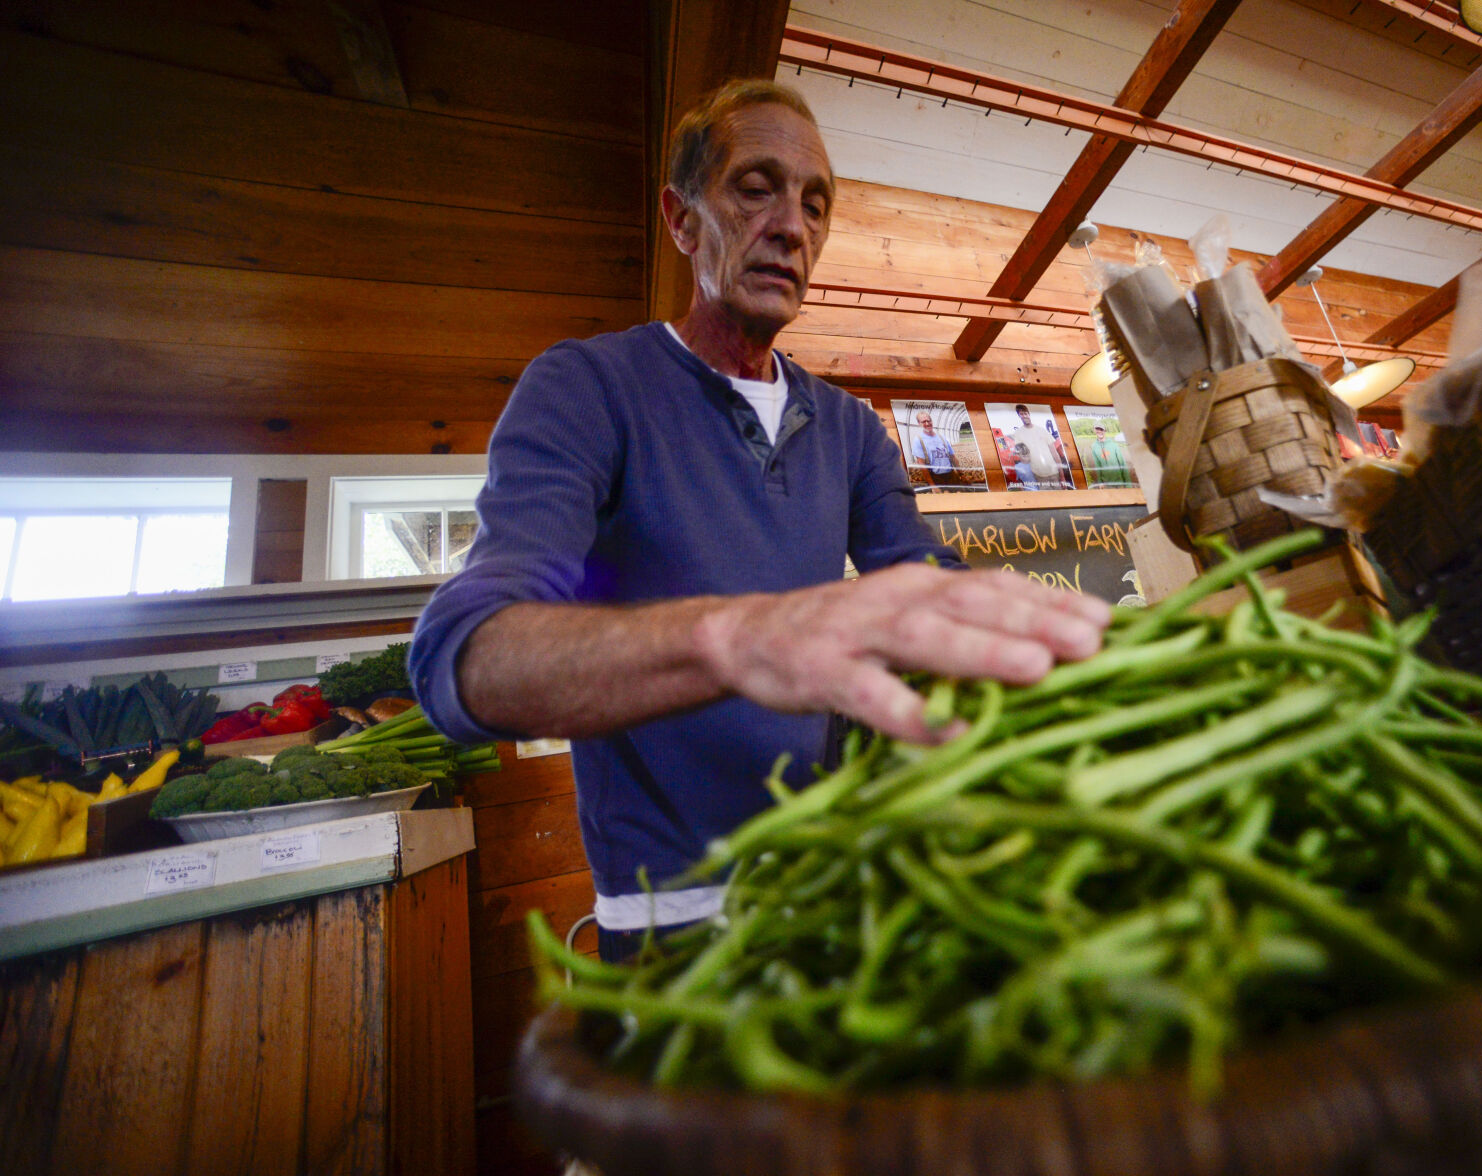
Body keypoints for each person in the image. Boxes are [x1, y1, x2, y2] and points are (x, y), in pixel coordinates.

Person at [408, 80, 1109, 961]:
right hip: (674, 922)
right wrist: (740, 637)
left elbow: (929, 586)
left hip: (849, 883)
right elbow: (465, 657)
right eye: (755, 187)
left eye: (815, 205)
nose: (792, 226)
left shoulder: (850, 428)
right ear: (682, 218)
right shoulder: (590, 387)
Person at [1009, 404, 1060, 491]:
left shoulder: (1042, 430)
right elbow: (1023, 457)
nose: (1024, 416)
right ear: (1019, 416)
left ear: (1029, 414)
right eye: (1021, 414)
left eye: (1025, 413)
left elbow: (1054, 453)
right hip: (1039, 475)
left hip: (1054, 472)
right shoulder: (1018, 434)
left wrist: (1062, 475)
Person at [908, 409, 958, 488]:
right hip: (936, 478)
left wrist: (960, 473)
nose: (927, 423)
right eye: (924, 422)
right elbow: (922, 466)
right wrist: (932, 486)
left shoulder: (942, 437)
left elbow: (953, 457)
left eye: (929, 420)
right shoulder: (918, 440)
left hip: (951, 475)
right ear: (919, 424)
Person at [1087, 422, 1133, 486]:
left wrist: (1128, 484)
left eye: (1101, 430)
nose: (1100, 432)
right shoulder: (1094, 447)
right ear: (1095, 431)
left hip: (1119, 481)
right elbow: (1098, 466)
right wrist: (1100, 482)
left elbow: (1122, 463)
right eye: (1097, 430)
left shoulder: (1114, 445)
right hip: (1106, 483)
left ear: (1104, 431)